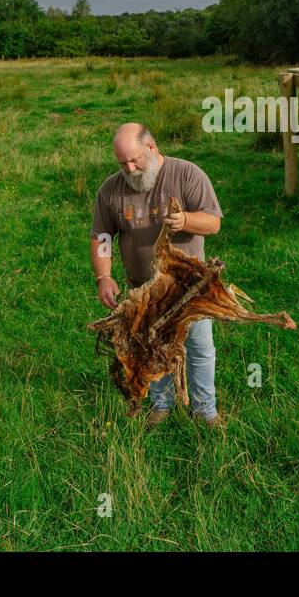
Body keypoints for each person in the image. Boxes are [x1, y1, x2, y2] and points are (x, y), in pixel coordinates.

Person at [90, 122, 225, 427]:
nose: (130, 167)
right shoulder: (111, 190)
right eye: (122, 162)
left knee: (199, 348)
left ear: (151, 147)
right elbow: (102, 237)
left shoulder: (187, 174)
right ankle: (161, 405)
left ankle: (205, 410)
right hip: (144, 292)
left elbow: (213, 223)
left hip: (189, 290)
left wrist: (186, 220)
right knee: (151, 349)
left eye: (135, 159)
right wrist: (104, 277)